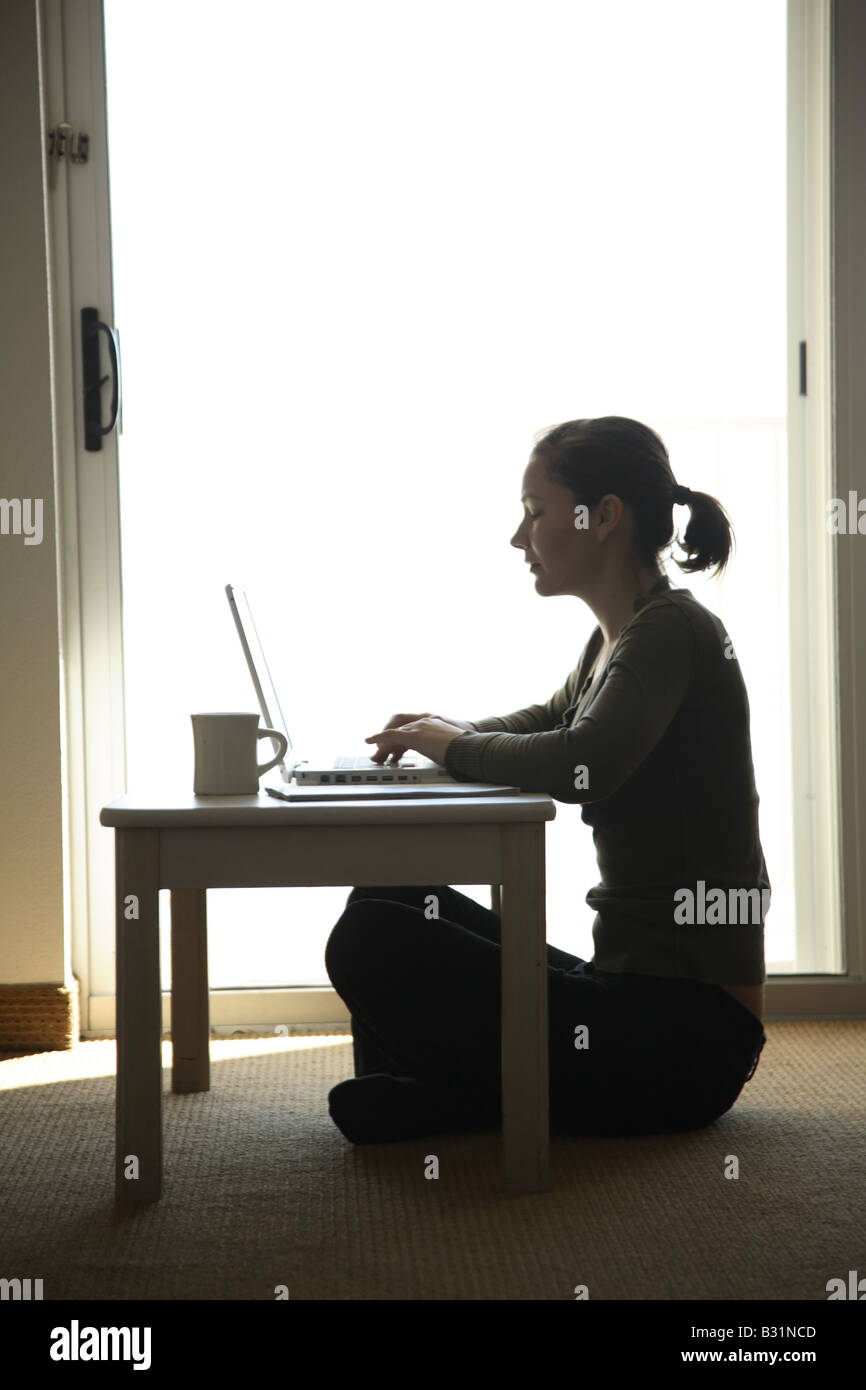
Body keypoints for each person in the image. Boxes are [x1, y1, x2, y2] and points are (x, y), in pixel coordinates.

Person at [324, 415, 769, 1145]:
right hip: (631, 997)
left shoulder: (670, 632)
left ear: (605, 517)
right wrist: (446, 731)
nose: (517, 535)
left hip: (689, 1039)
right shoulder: (615, 638)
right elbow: (544, 722)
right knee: (387, 896)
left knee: (371, 939)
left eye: (535, 511)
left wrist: (449, 744)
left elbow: (576, 761)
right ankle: (447, 1092)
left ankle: (458, 1094)